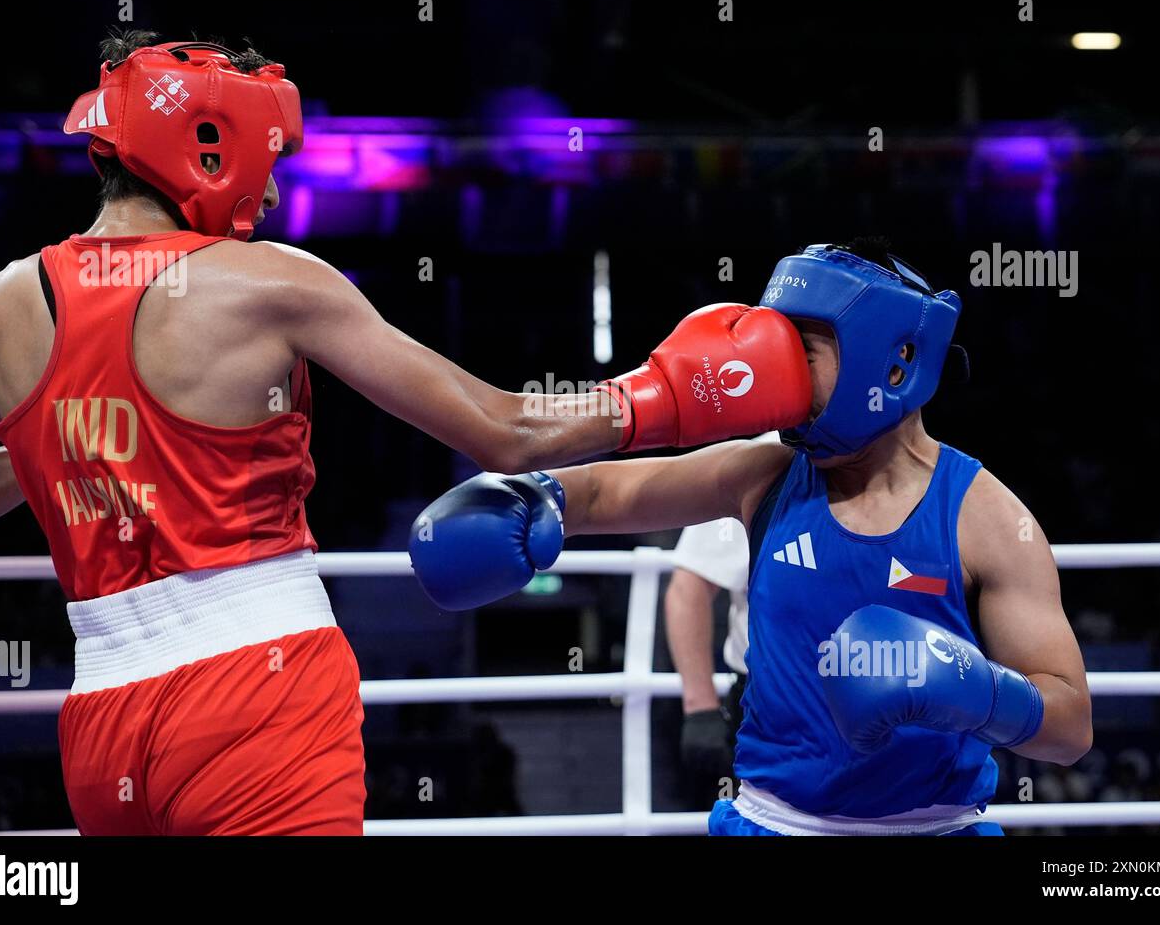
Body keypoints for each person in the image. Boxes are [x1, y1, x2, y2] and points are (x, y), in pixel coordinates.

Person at [0, 32, 810, 835]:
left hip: (102, 720)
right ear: (208, 146)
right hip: (258, 691)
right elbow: (506, 431)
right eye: (265, 160)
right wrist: (664, 398)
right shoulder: (270, 282)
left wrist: (64, 439)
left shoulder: (1, 306)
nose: (269, 190)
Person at [410, 239, 1093, 836]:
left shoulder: (988, 519)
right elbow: (605, 491)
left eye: (807, 352)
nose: (779, 376)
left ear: (894, 365)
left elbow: (1069, 729)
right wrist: (535, 500)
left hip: (936, 829)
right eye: (777, 347)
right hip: (771, 824)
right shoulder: (764, 473)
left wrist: (971, 690)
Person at [666, 431, 781, 805]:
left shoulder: (921, 473)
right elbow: (688, 588)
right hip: (766, 700)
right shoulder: (758, 465)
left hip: (883, 699)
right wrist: (700, 709)